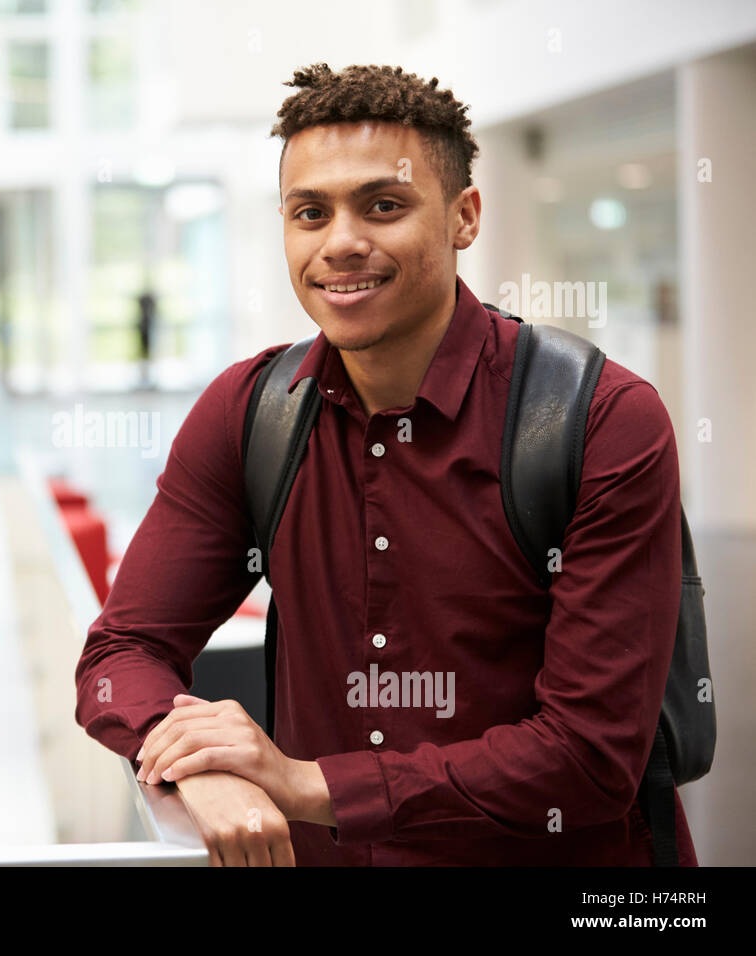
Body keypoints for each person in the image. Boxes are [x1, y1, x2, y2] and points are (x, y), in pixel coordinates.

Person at [73, 63, 694, 867]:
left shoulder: (597, 418)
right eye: (309, 212)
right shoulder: (249, 412)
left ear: (464, 217)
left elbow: (587, 755)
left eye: (384, 205)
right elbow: (120, 654)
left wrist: (302, 784)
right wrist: (192, 762)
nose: (340, 243)